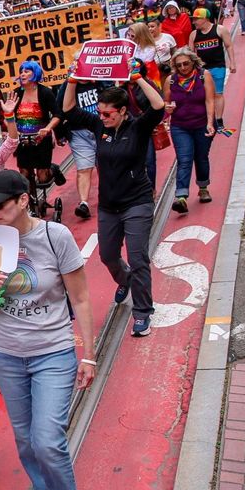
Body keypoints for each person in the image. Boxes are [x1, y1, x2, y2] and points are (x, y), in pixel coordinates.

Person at [0, 170, 96, 490]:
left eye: (0, 205)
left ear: (24, 200)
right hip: (6, 353)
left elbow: (82, 298)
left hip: (52, 352)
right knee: (26, 441)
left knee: (47, 440)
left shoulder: (55, 237)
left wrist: (87, 354)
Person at [63, 62, 166, 336]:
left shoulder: (139, 127)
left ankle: (143, 313)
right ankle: (125, 280)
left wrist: (137, 78)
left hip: (137, 202)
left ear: (122, 111)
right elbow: (69, 110)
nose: (103, 117)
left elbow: (158, 107)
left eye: (108, 113)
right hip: (109, 206)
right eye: (100, 112)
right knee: (108, 255)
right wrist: (73, 79)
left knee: (138, 257)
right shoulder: (99, 125)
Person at [164, 47, 220, 213]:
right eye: (179, 65)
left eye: (186, 64)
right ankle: (181, 196)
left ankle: (203, 188)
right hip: (180, 126)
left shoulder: (204, 75)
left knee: (201, 157)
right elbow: (166, 103)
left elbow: (210, 101)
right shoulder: (171, 81)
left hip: (202, 123)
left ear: (193, 62)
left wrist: (210, 122)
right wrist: (168, 109)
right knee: (184, 158)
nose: (182, 68)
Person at [9, 61, 60, 191]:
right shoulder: (16, 93)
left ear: (35, 73)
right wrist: (12, 131)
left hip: (41, 140)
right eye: (21, 72)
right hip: (23, 141)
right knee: (24, 175)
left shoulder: (45, 93)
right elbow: (7, 116)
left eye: (26, 71)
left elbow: (58, 115)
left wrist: (47, 128)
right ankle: (30, 205)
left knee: (42, 177)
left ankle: (53, 169)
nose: (22, 74)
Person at [188, 7, 234, 103]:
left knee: (218, 94)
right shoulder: (193, 34)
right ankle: (210, 116)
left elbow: (229, 46)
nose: (194, 22)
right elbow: (191, 54)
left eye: (196, 19)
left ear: (205, 18)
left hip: (218, 66)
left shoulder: (220, 29)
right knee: (205, 95)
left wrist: (232, 63)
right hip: (202, 69)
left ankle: (219, 118)